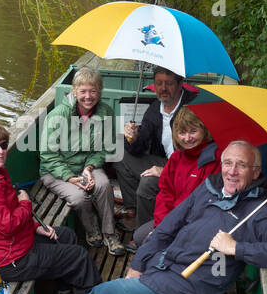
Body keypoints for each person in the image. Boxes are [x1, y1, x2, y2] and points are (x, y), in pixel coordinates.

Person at [21, 141, 267, 294]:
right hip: (167, 266)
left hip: (194, 286)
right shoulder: (210, 189)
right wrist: (139, 263)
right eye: (227, 162)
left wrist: (236, 247)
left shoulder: (260, 212)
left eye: (241, 165)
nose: (231, 171)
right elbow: (168, 226)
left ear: (255, 172)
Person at [0, 118, 101, 294]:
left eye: (3, 145)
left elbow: (7, 215)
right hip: (7, 260)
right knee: (79, 257)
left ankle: (64, 292)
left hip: (13, 243)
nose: (0, 151)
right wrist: (25, 203)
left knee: (66, 235)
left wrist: (35, 227)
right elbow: (8, 225)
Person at [39, 66, 126, 256]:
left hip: (86, 166)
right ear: (74, 91)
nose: (88, 96)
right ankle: (91, 228)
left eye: (93, 91)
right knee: (79, 197)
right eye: (83, 91)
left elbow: (104, 148)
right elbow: (48, 155)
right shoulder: (58, 116)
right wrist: (70, 177)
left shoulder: (106, 112)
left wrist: (88, 168)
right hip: (56, 171)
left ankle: (109, 234)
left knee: (103, 184)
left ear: (99, 92)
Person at [117, 67, 198, 232]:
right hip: (165, 162)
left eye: (169, 84)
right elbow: (139, 147)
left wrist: (165, 170)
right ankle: (134, 211)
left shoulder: (192, 108)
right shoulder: (156, 108)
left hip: (188, 170)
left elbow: (199, 156)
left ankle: (146, 233)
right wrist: (133, 137)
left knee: (147, 183)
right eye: (159, 83)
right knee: (118, 155)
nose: (163, 89)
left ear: (180, 84)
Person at [129, 107, 220, 249]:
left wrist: (174, 232)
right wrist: (161, 227)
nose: (187, 138)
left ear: (204, 131)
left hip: (196, 227)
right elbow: (165, 194)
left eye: (193, 131)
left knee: (153, 244)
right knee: (140, 236)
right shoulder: (177, 157)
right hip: (173, 220)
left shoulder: (215, 159)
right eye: (182, 132)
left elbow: (207, 206)